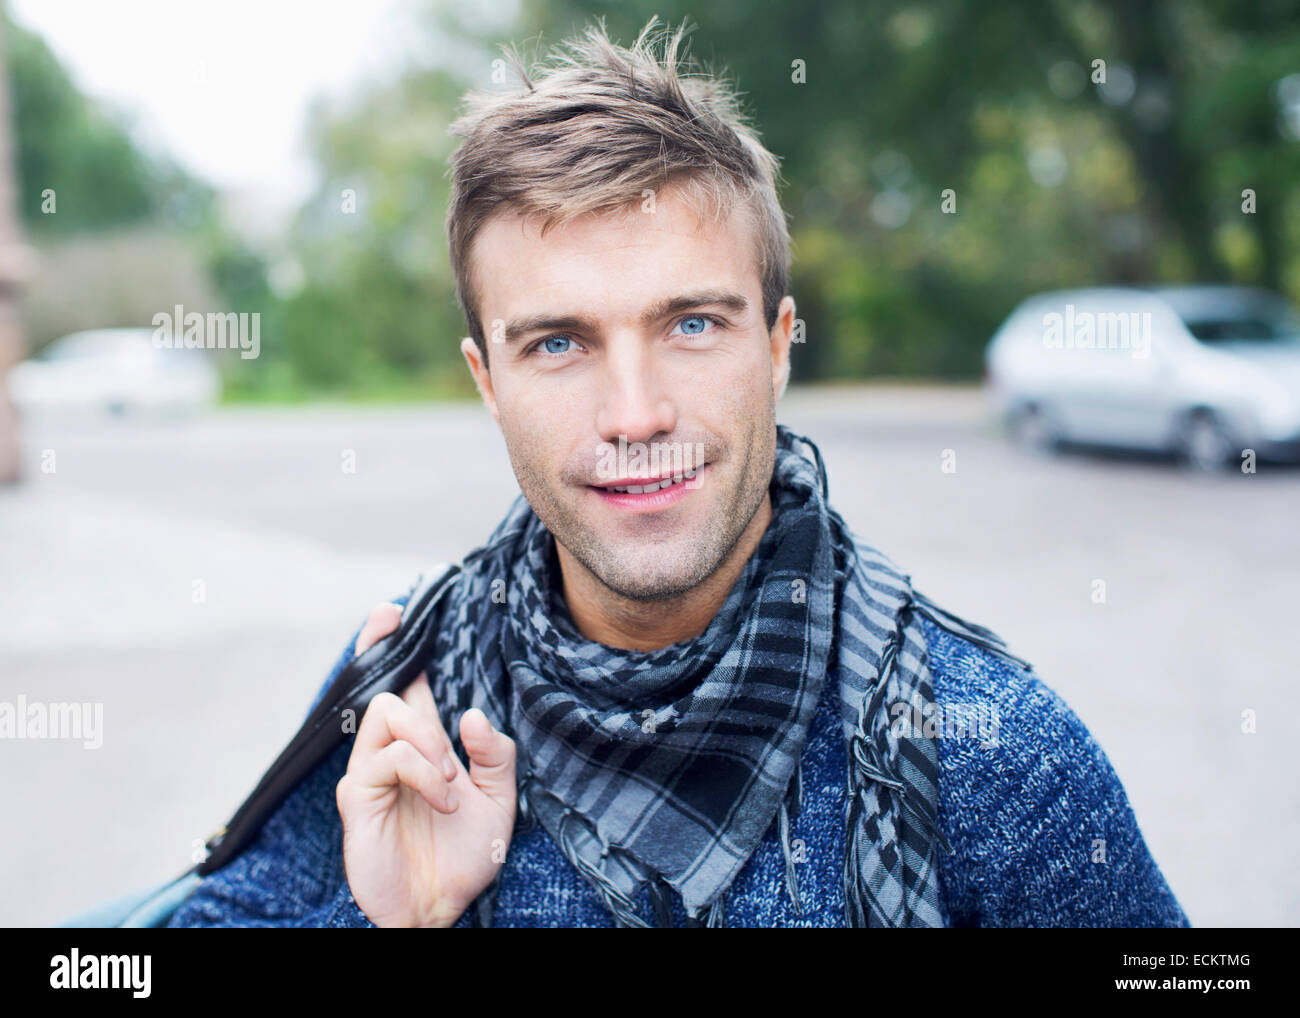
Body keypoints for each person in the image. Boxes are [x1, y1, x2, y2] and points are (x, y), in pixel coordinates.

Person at [168, 17, 1189, 928]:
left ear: (780, 345)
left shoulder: (991, 753)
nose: (635, 415)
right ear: (486, 379)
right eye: (558, 344)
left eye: (691, 324)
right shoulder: (409, 692)